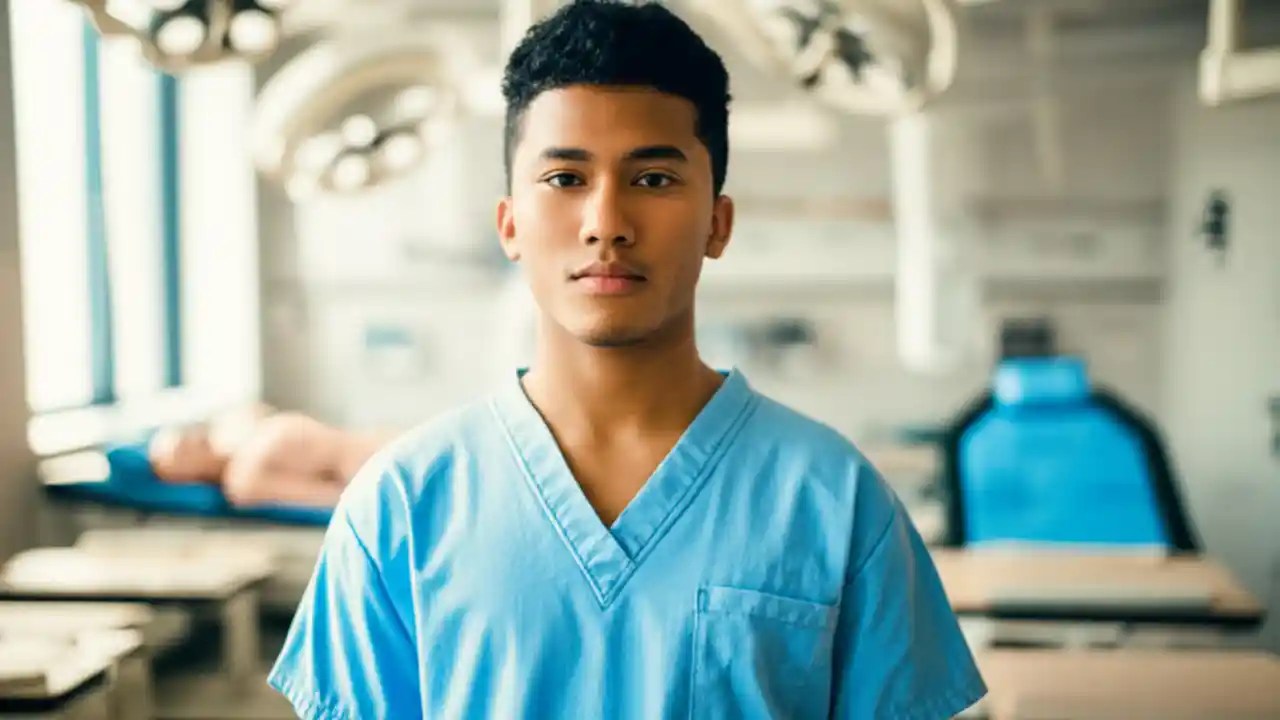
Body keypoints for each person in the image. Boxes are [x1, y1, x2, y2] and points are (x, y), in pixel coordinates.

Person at [268, 2, 987, 717]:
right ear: (510, 224)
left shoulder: (835, 502)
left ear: (718, 222)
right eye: (564, 179)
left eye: (652, 180)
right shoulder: (402, 506)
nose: (606, 224)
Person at [147, 405, 393, 509]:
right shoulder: (244, 482)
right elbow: (328, 498)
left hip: (376, 441)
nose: (191, 440)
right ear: (185, 476)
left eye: (183, 437)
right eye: (182, 450)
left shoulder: (234, 427)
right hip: (372, 473)